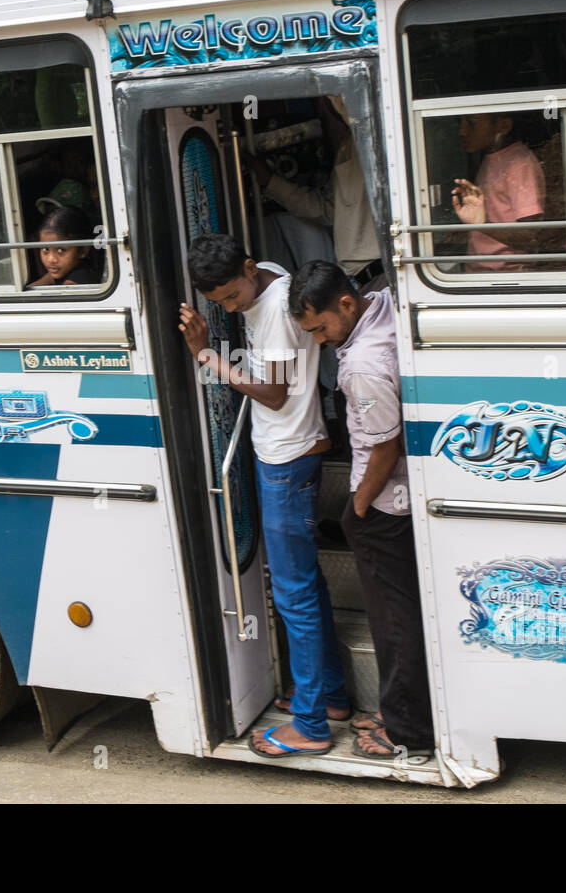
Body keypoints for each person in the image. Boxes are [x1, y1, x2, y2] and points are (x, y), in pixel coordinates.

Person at [177, 234, 348, 757]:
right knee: (305, 587)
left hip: (285, 460)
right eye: (221, 302)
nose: (231, 307)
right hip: (297, 448)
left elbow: (272, 394)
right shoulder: (272, 275)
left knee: (294, 595)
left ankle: (312, 726)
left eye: (231, 296)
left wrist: (207, 355)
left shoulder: (272, 309)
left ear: (248, 268)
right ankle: (332, 695)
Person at [288, 260, 435, 760]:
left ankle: (407, 732)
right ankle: (405, 715)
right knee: (405, 614)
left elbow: (384, 447)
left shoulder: (361, 366)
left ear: (346, 303)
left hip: (385, 506)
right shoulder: (385, 304)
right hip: (405, 500)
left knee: (393, 622)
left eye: (321, 328)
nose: (320, 341)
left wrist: (357, 506)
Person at [246, 96, 383, 284]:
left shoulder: (370, 140)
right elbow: (327, 209)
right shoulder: (348, 147)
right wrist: (270, 182)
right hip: (364, 279)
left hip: (379, 274)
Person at [450, 113, 545, 271]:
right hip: (484, 271)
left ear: (503, 126)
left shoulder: (519, 164)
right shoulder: (493, 157)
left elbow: (529, 237)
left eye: (472, 123)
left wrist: (481, 224)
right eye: (460, 122)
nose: (462, 131)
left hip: (507, 274)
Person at [26, 206, 100, 288]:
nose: (51, 260)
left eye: (61, 251)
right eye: (45, 249)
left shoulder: (79, 279)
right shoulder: (63, 270)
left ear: (83, 250)